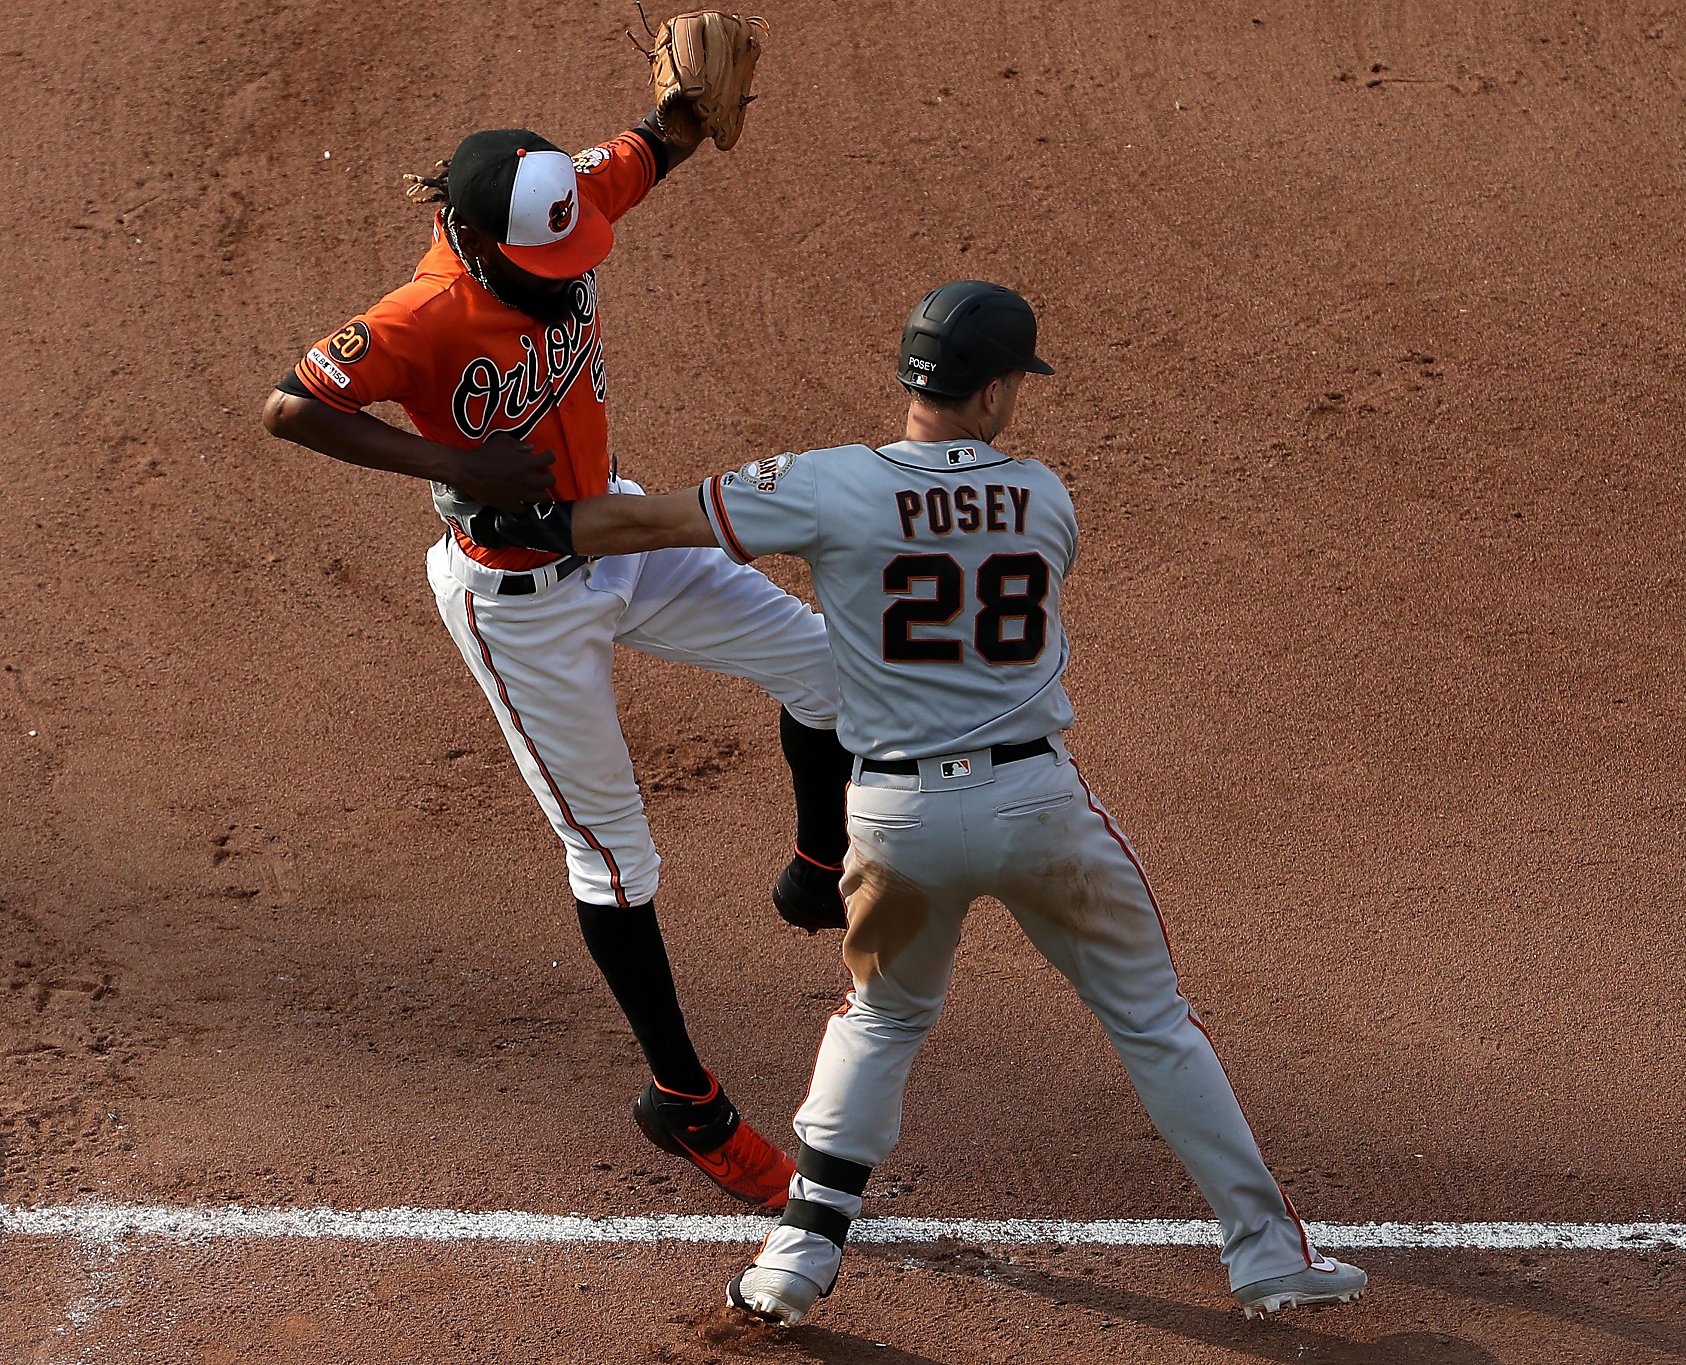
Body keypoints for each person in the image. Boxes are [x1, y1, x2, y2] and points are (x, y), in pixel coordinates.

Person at [466, 280, 1368, 1323]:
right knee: (1153, 1021)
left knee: (880, 1017)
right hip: (1037, 806)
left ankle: (796, 1258)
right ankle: (1264, 1253)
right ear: (990, 397)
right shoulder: (1045, 496)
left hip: (895, 820)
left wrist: (517, 516)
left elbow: (644, 521)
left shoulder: (823, 486)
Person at [258, 106, 857, 1209]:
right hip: (517, 605)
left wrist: (670, 121)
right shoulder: (422, 314)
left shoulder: (557, 197)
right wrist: (450, 459)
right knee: (616, 861)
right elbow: (290, 407)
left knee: (827, 670)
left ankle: (815, 871)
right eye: (537, 266)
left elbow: (644, 155)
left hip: (615, 535)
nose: (562, 276)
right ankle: (687, 1102)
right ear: (480, 241)